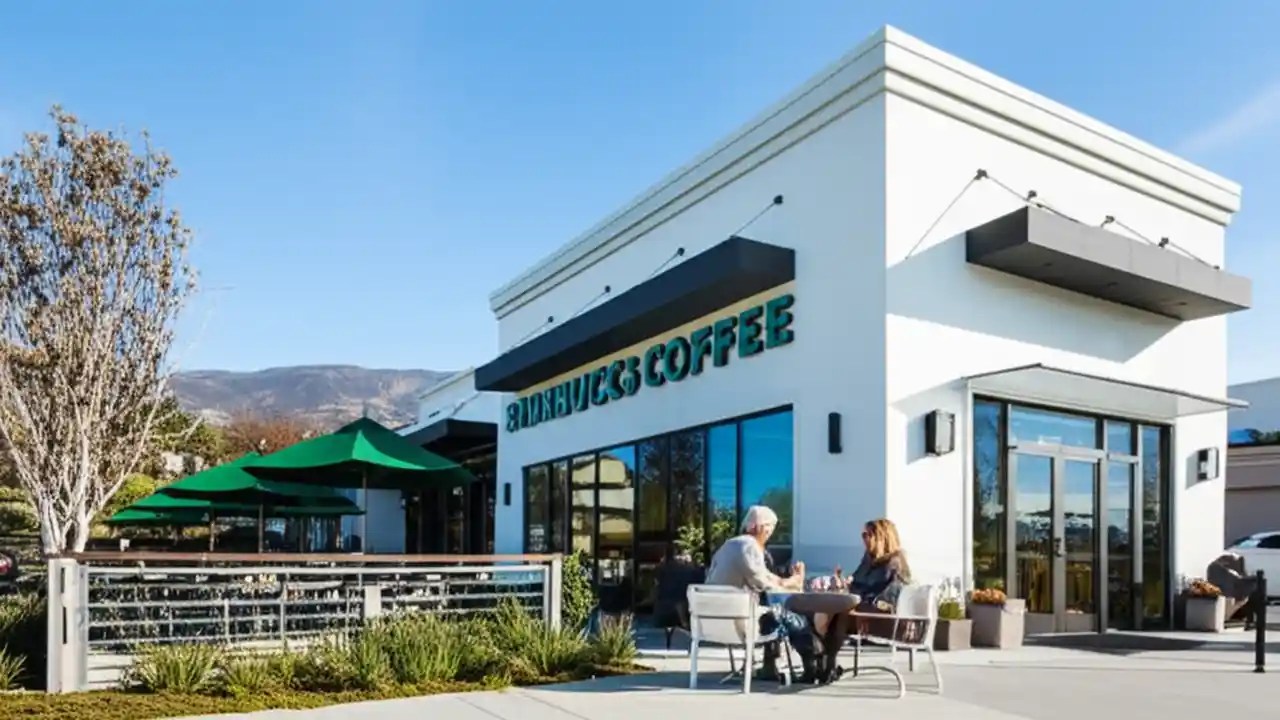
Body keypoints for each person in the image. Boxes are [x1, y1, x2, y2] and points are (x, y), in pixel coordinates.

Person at [705, 505, 816, 681]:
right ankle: (812, 665)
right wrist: (793, 583)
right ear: (760, 527)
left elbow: (762, 576)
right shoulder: (749, 545)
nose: (769, 534)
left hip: (714, 619)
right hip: (737, 620)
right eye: (769, 528)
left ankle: (770, 666)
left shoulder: (728, 546)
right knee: (788, 616)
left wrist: (789, 582)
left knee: (770, 611)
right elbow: (762, 582)